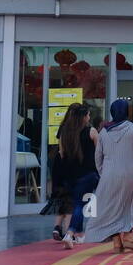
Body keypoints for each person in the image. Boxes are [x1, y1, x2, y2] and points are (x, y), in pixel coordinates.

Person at [85, 99, 133, 253]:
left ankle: (116, 242)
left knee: (111, 207)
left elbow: (98, 157)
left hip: (109, 173)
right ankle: (127, 236)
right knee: (130, 203)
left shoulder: (103, 132)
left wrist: (104, 172)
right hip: (130, 172)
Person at [50, 103, 100, 249]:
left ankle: (78, 234)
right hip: (88, 175)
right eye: (88, 114)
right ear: (84, 117)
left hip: (70, 174)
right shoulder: (91, 132)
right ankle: (70, 234)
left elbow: (61, 153)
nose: (89, 117)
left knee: (75, 204)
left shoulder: (65, 131)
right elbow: (100, 154)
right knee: (80, 205)